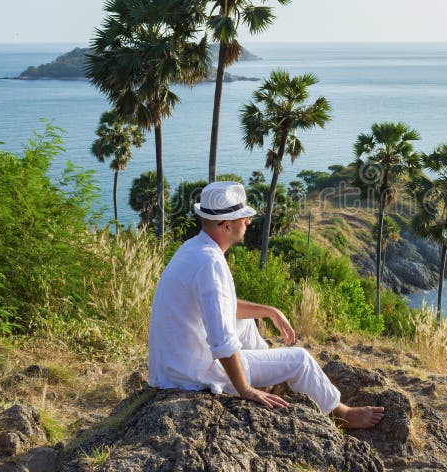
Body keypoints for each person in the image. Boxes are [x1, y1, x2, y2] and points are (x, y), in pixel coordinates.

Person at [148, 181, 384, 429]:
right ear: (226, 225)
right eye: (243, 218)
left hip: (174, 364)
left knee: (247, 321)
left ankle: (264, 376)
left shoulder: (194, 249)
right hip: (191, 374)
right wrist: (245, 390)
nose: (248, 222)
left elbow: (222, 307)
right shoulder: (210, 263)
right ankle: (340, 413)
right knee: (300, 360)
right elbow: (221, 341)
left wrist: (271, 311)